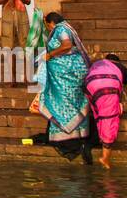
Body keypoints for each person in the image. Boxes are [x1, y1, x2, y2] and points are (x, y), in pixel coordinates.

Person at [35, 12, 93, 162]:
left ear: (50, 23)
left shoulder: (60, 29)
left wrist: (50, 55)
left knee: (65, 103)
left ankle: (68, 138)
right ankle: (78, 135)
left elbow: (66, 45)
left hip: (67, 76)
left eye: (47, 26)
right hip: (68, 74)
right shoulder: (67, 27)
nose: (48, 29)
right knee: (73, 102)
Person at [84, 53, 127, 169]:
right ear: (118, 62)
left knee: (99, 113)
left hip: (89, 84)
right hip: (108, 85)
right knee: (110, 118)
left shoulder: (97, 64)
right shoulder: (121, 67)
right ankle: (104, 157)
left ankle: (99, 138)